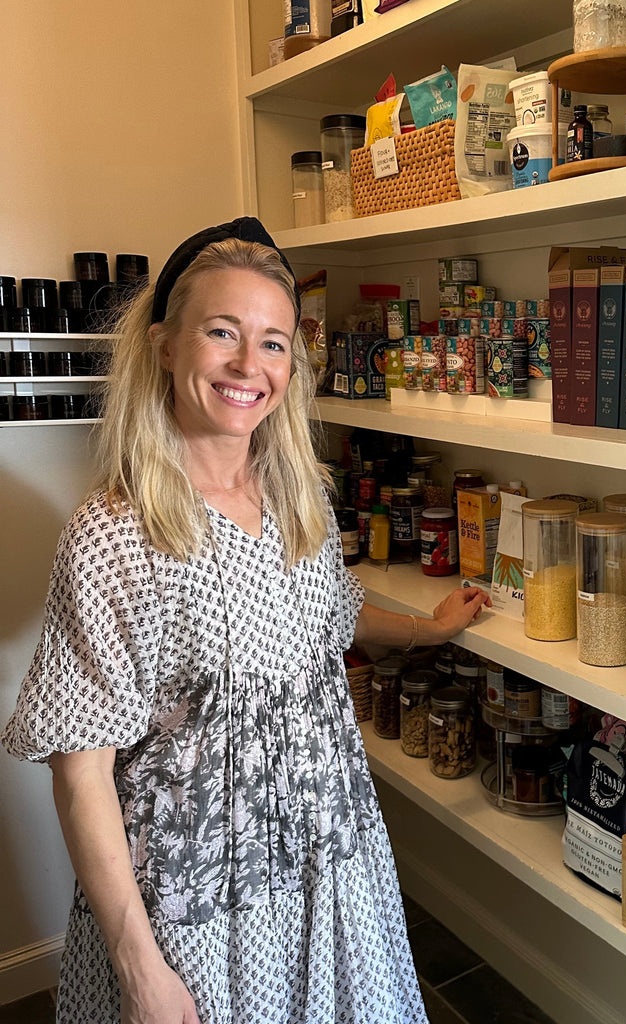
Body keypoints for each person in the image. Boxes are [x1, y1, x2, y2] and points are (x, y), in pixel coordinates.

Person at [1, 217, 490, 1024]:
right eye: (222, 332)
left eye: (272, 344)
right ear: (165, 345)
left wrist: (429, 631)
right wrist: (140, 971)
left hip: (331, 860)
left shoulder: (299, 502)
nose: (246, 365)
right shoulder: (116, 533)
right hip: (199, 904)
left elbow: (323, 620)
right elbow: (80, 770)